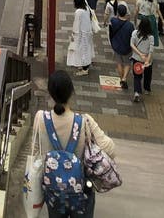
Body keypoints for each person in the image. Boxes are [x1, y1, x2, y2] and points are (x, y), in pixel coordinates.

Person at [32, 70, 115, 218]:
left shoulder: (40, 118)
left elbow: (35, 151)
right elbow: (110, 149)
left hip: (53, 191)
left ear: (50, 93)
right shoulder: (84, 122)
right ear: (71, 92)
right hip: (82, 192)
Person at [67, 0, 95, 77]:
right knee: (85, 50)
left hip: (81, 34)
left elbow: (76, 24)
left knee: (82, 50)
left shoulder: (78, 12)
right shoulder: (86, 8)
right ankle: (83, 65)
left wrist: (73, 34)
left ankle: (85, 69)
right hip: (87, 33)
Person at [109, 3, 134, 90]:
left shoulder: (113, 21)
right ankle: (124, 78)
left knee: (119, 63)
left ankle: (121, 78)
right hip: (127, 47)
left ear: (118, 12)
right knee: (127, 63)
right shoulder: (130, 25)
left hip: (116, 46)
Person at [130, 18, 154, 102]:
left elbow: (132, 45)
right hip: (147, 60)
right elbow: (151, 50)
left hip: (137, 58)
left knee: (137, 76)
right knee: (148, 75)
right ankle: (147, 89)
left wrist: (140, 54)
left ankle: (137, 92)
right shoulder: (151, 37)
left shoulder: (135, 33)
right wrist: (147, 60)